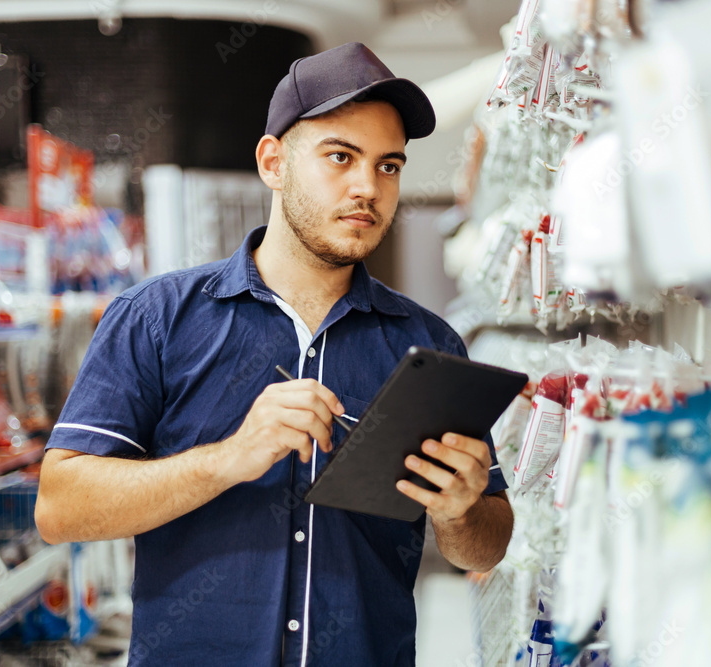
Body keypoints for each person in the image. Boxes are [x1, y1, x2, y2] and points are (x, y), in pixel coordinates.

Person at [35, 42, 513, 667]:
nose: (367, 187)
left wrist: (459, 511)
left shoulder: (430, 346)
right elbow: (60, 507)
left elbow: (486, 546)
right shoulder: (156, 319)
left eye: (388, 166)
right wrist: (230, 458)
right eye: (340, 157)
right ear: (272, 162)